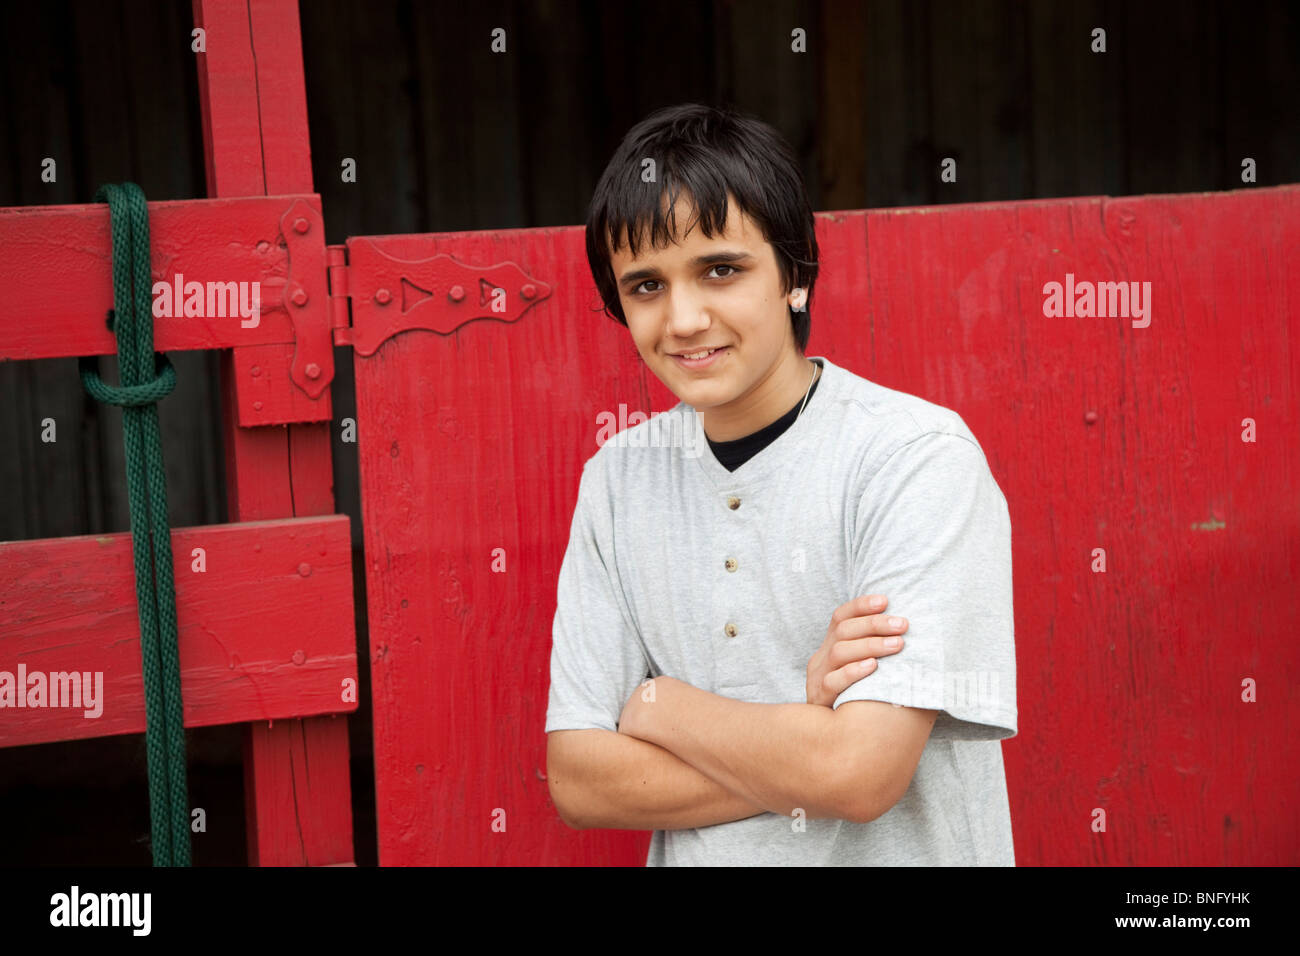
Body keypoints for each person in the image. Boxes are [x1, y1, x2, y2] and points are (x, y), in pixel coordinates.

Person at [544, 103, 1017, 866]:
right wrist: (806, 719)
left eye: (720, 270)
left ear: (794, 273)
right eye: (645, 286)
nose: (685, 318)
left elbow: (861, 776)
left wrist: (658, 705)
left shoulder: (914, 458)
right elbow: (577, 781)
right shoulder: (615, 482)